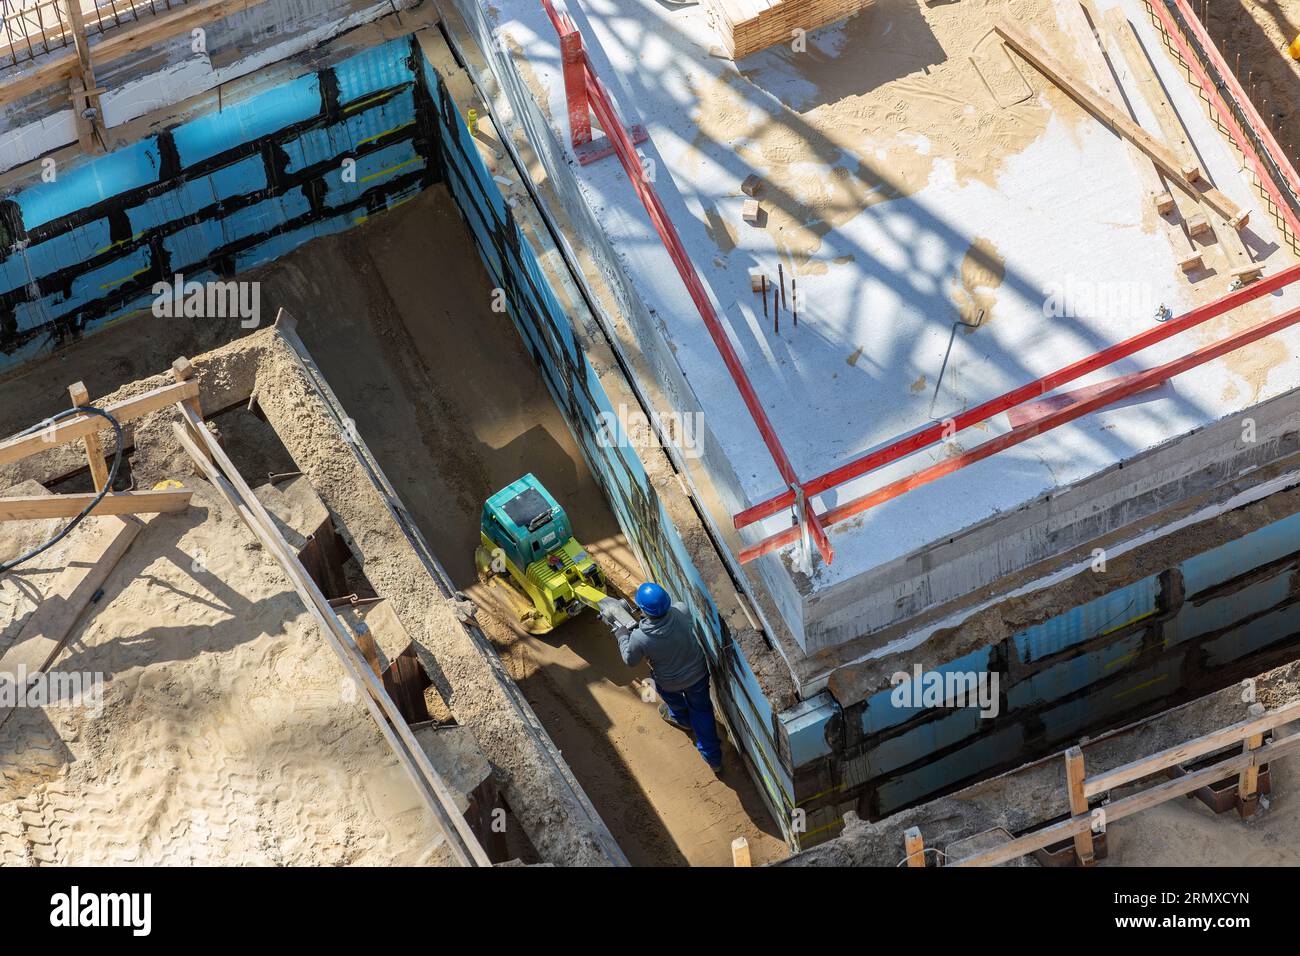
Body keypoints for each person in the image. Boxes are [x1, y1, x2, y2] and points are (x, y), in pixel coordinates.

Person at [615, 582, 724, 775]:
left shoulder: (640, 638)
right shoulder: (681, 610)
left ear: (641, 608)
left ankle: (681, 717)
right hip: (698, 674)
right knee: (702, 711)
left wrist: (622, 636)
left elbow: (630, 660)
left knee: (665, 691)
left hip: (669, 682)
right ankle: (713, 759)